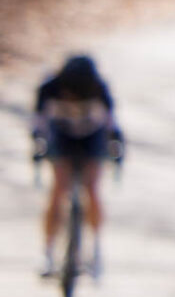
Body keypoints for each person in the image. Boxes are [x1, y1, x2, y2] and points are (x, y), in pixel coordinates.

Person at [31, 54, 122, 279]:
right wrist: (37, 147)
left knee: (91, 188)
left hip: (92, 136)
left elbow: (113, 126)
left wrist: (116, 151)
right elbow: (38, 123)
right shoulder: (49, 87)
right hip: (61, 135)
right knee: (59, 188)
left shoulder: (99, 88)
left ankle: (96, 249)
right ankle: (48, 252)